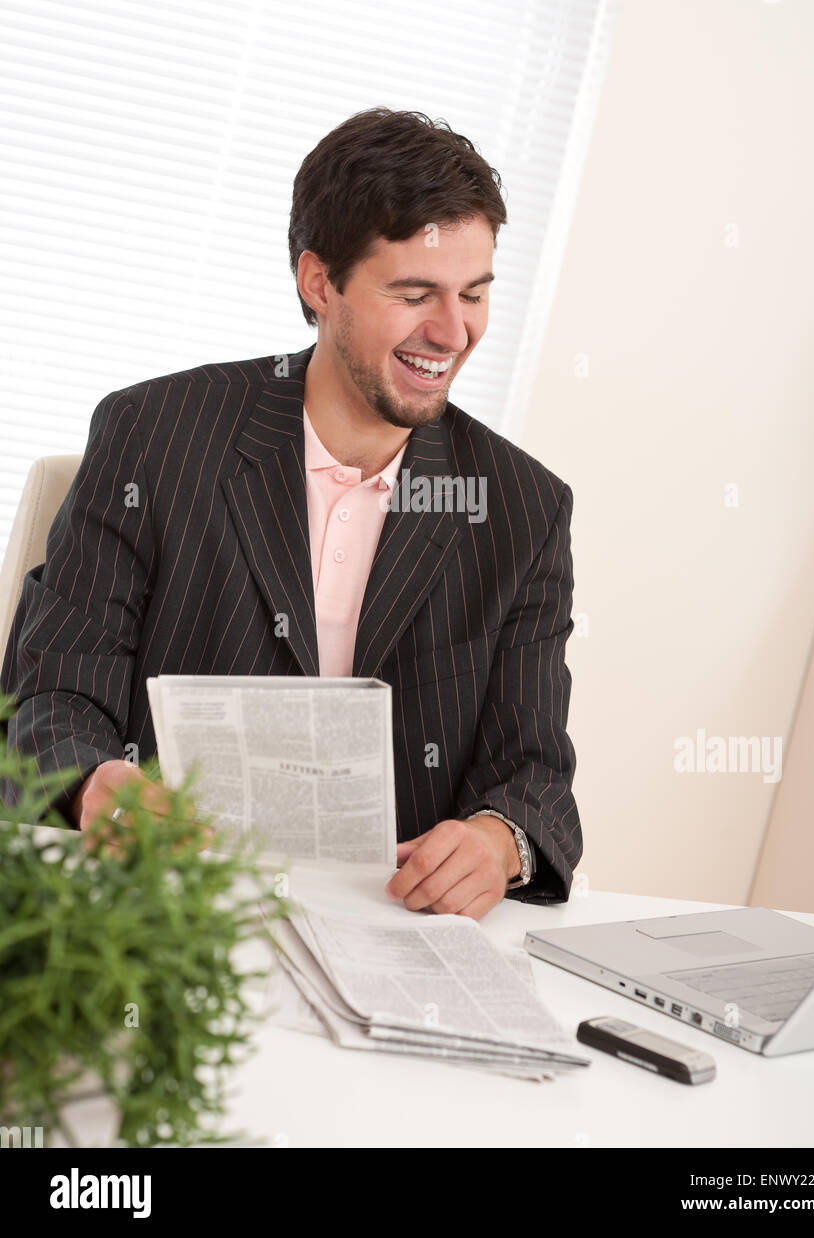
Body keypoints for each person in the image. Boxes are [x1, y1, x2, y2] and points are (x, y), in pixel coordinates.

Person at [1, 107, 581, 919]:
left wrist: (498, 839)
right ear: (319, 283)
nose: (453, 332)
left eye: (474, 294)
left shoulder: (524, 508)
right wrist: (99, 784)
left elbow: (535, 773)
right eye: (415, 294)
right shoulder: (154, 434)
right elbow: (52, 690)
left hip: (387, 927)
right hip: (161, 908)